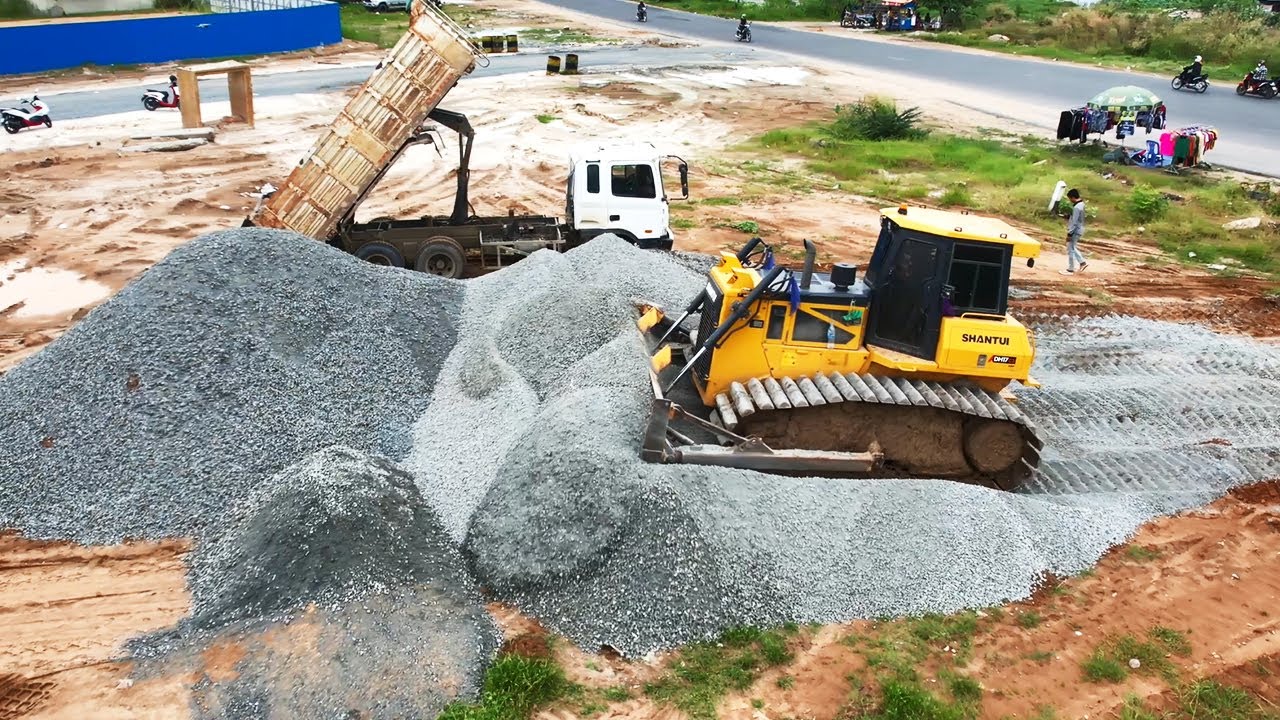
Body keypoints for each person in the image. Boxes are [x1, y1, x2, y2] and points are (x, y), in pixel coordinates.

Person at [1061, 188, 1088, 275]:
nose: (1070, 201)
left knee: (1070, 249)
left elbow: (1074, 222)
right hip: (1080, 228)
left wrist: (1069, 233)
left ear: (1073, 197)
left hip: (1075, 230)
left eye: (1070, 199)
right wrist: (1069, 216)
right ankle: (1082, 262)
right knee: (1072, 247)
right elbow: (1077, 218)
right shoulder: (1082, 204)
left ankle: (1071, 268)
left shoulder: (1077, 207)